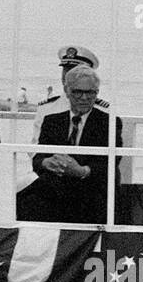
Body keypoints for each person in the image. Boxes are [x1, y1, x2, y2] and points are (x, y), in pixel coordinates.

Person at [17, 65, 122, 223]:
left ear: (97, 93)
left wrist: (81, 171)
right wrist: (47, 162)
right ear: (67, 91)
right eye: (78, 92)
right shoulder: (52, 121)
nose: (84, 98)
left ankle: (100, 248)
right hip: (57, 186)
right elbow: (37, 159)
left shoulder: (109, 123)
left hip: (91, 187)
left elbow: (111, 163)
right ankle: (34, 246)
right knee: (26, 198)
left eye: (90, 92)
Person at [31, 45, 108, 143]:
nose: (67, 75)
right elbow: (35, 148)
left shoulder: (104, 112)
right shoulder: (46, 109)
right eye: (66, 69)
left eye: (75, 71)